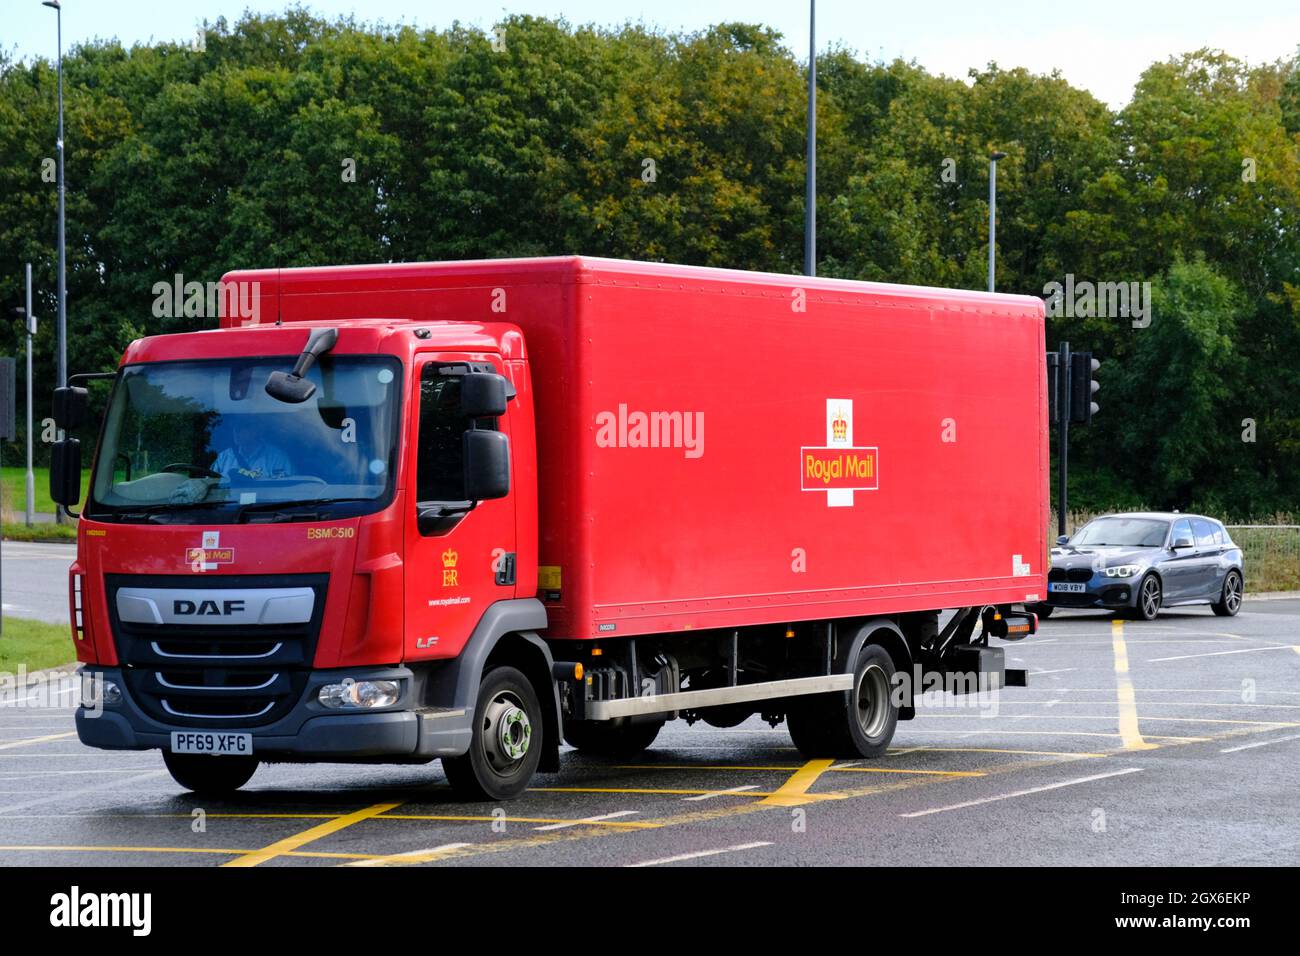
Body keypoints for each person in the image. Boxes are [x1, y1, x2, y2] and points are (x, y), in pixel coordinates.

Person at [213, 420, 292, 481]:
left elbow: (288, 486)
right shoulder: (223, 457)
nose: (236, 431)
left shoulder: (277, 457)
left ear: (256, 431)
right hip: (229, 500)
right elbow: (209, 481)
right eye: (235, 428)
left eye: (242, 427)